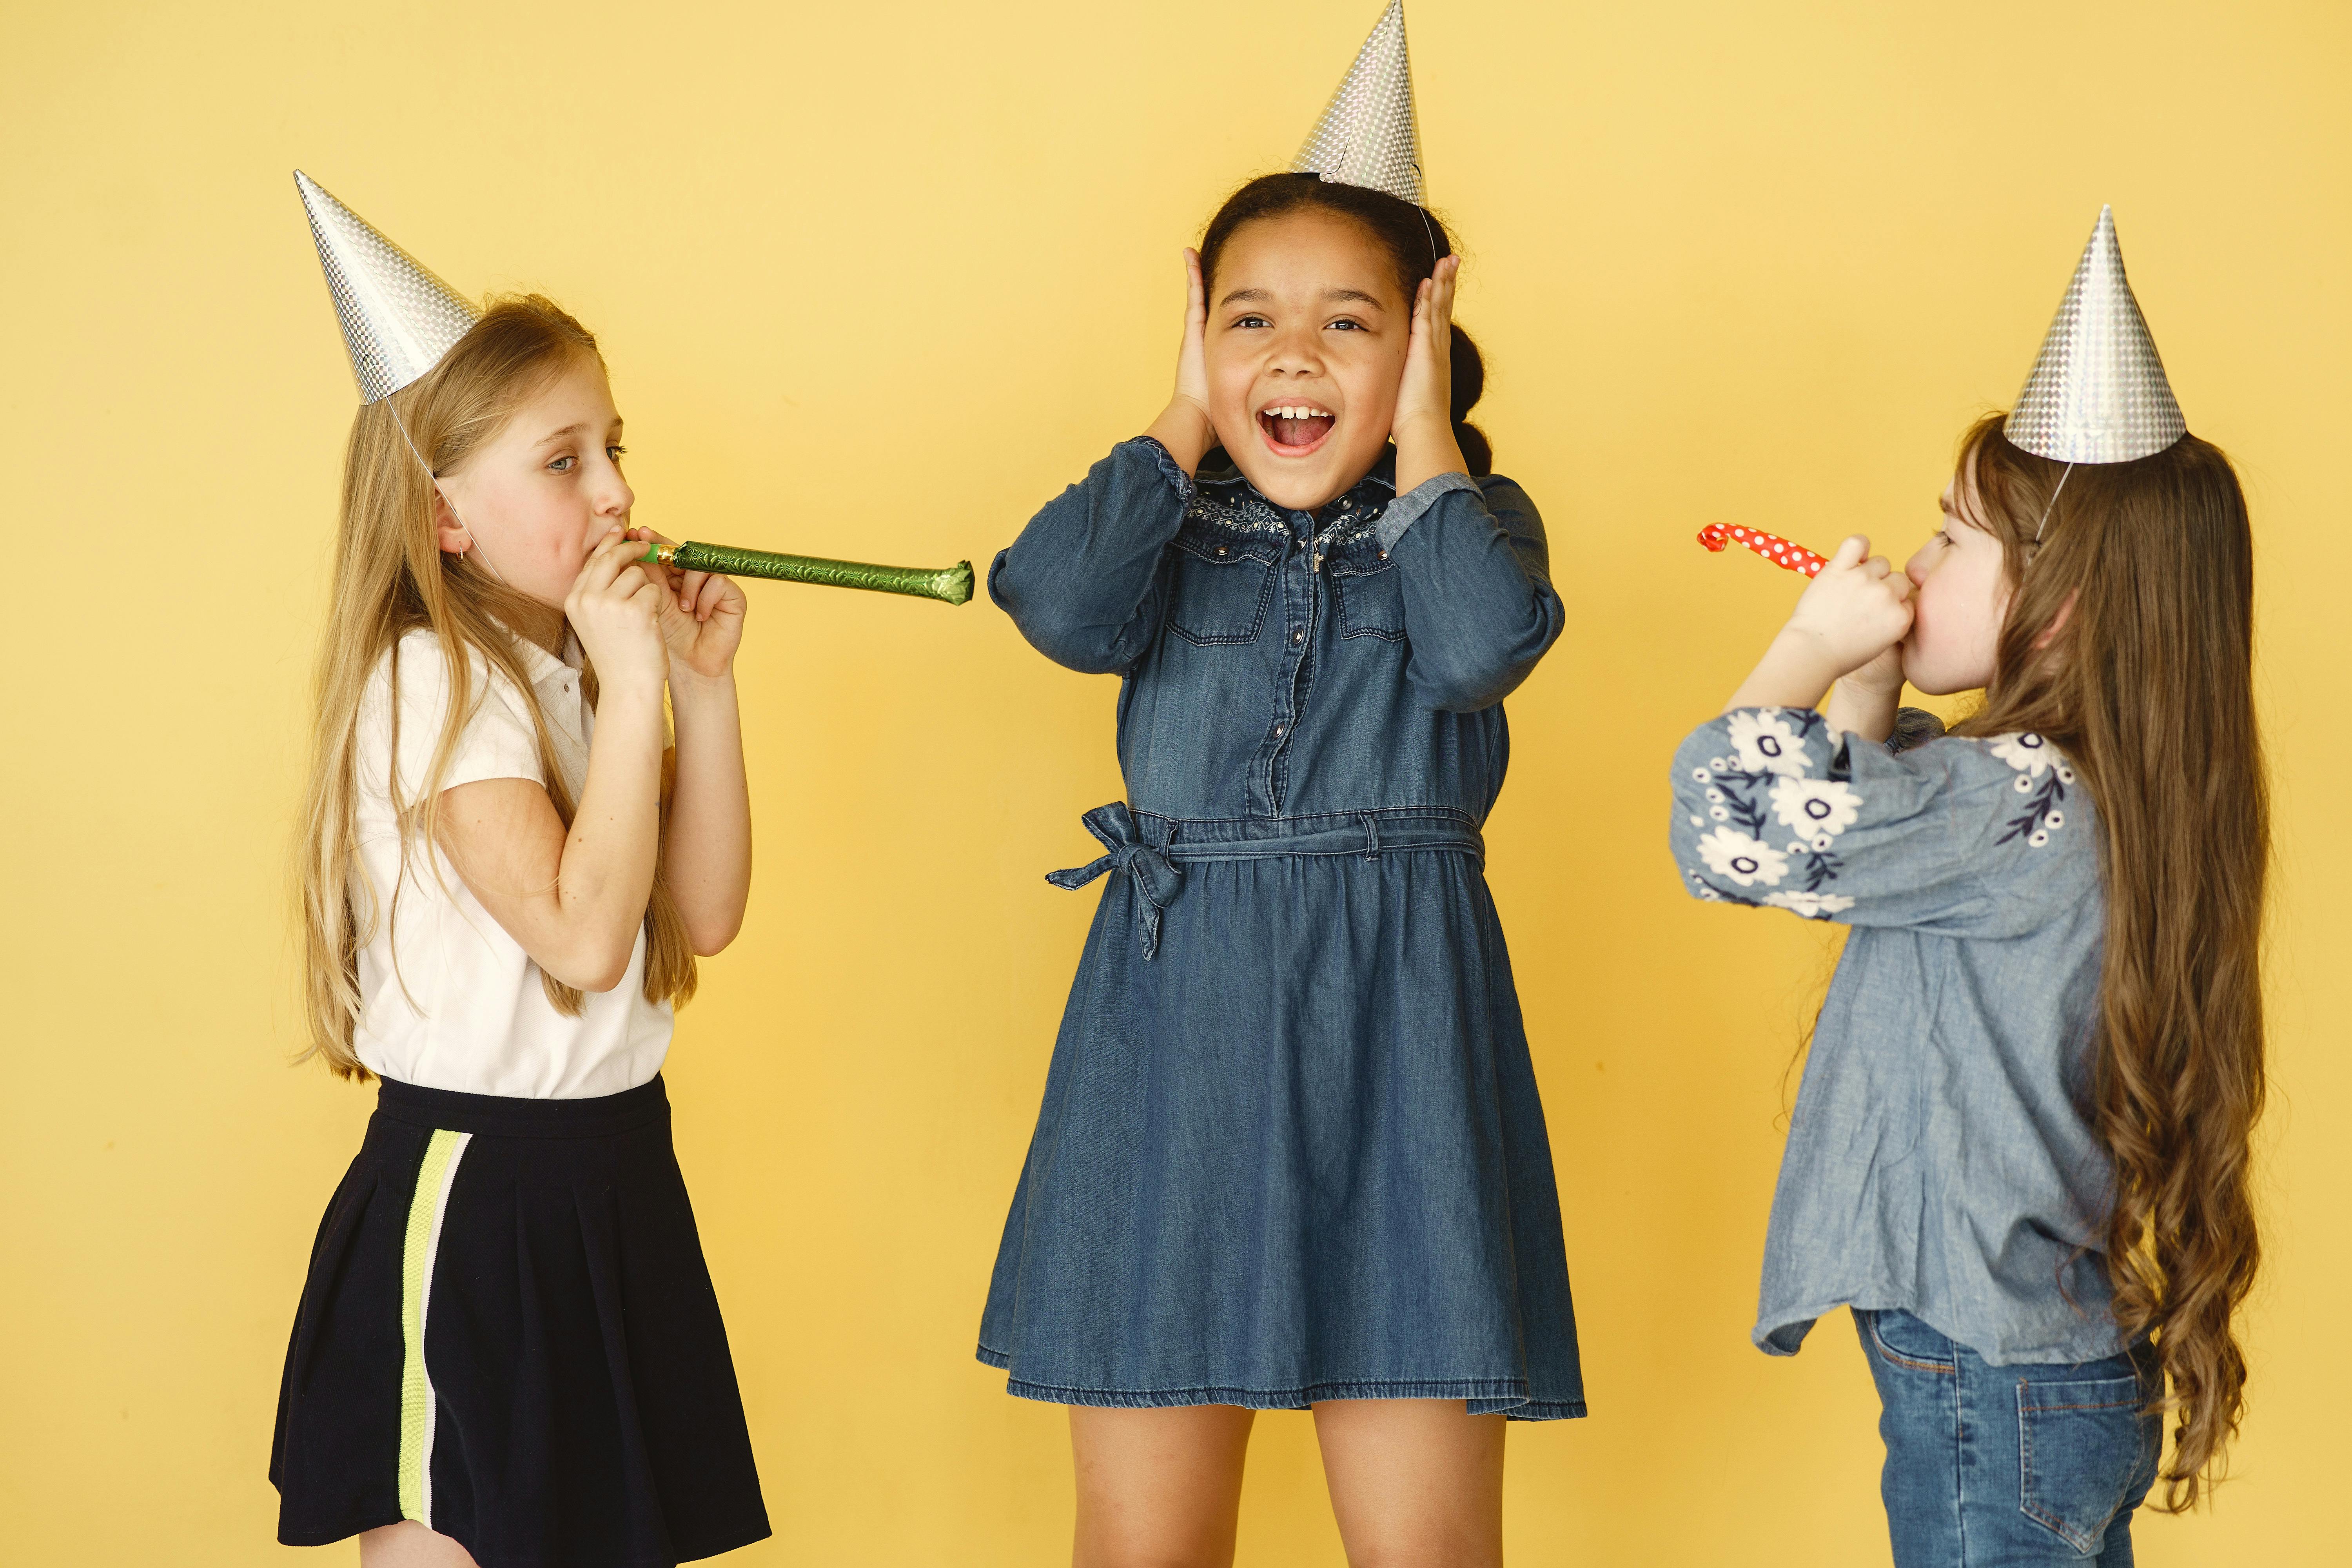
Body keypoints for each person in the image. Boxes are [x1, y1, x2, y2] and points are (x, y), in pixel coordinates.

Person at [978, 9, 1583, 1564]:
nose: (1293, 356)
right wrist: (1184, 409)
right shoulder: (1165, 532)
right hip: (1168, 1053)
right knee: (1143, 1549)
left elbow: (1480, 647)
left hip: (1400, 1052)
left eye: (1352, 324)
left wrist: (1431, 439)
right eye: (1246, 322)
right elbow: (1048, 597)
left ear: (1428, 342)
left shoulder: (1473, 523)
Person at [1668, 208, 2266, 1564]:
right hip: (2048, 1375)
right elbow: (1864, 833)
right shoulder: (2077, 798)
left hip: (1985, 1392)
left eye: (1951, 542)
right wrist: (1875, 690)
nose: (1918, 564)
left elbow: (1735, 819)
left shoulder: (2010, 802)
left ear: (2055, 609)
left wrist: (1807, 648)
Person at [271, 174, 768, 1568]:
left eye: (615, 447)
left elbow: (703, 917)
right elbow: (582, 937)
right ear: (445, 518)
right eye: (565, 462)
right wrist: (625, 672)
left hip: (615, 1177)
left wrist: (696, 693)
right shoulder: (432, 681)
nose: (617, 490)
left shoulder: (565, 668)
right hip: (477, 1197)